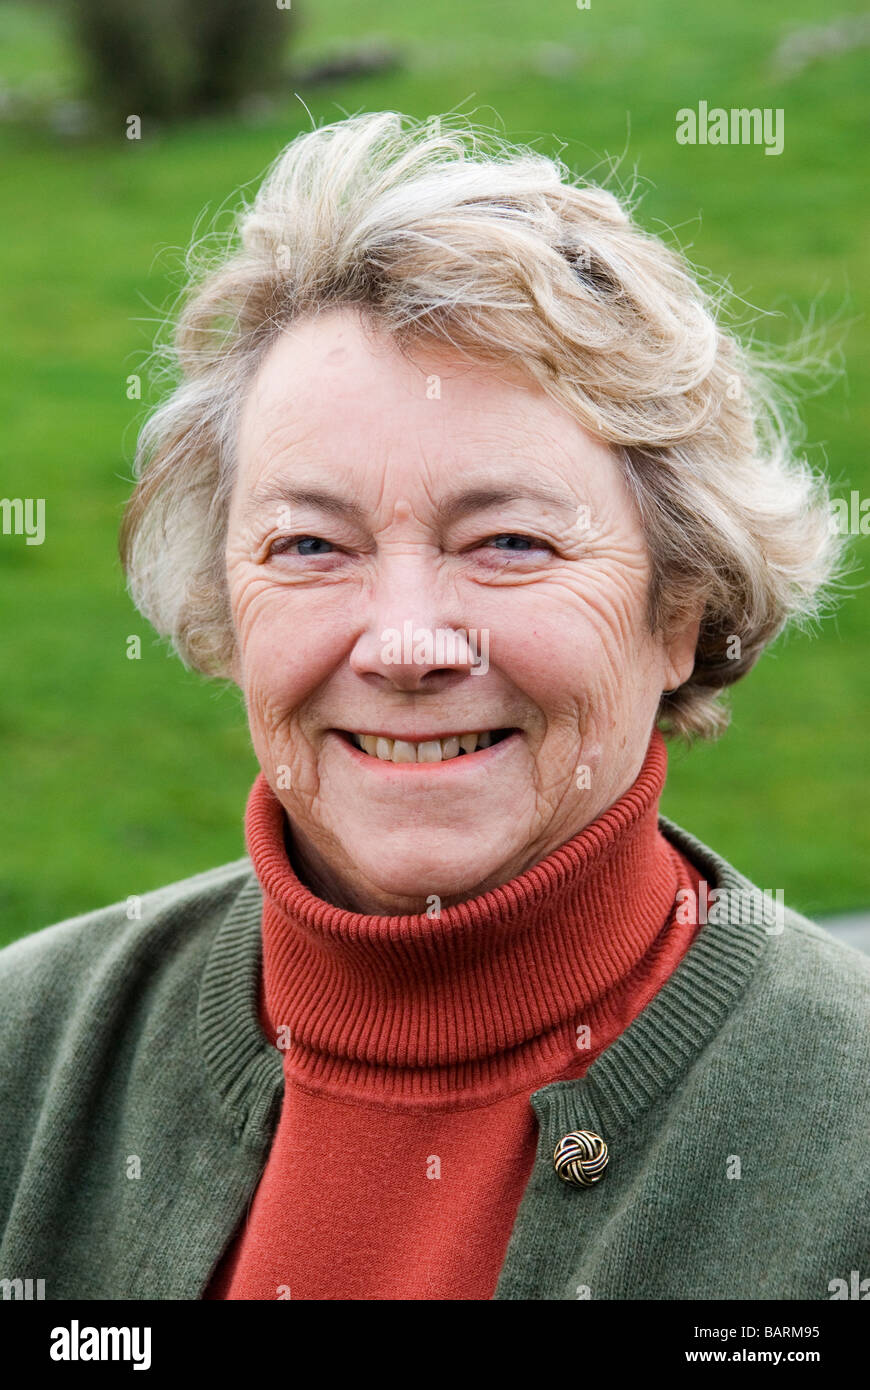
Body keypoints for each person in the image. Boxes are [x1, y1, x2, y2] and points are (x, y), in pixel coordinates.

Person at [1, 111, 867, 1301]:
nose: (407, 643)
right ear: (222, 601)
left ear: (681, 609)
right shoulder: (27, 1055)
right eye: (311, 544)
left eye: (507, 541)